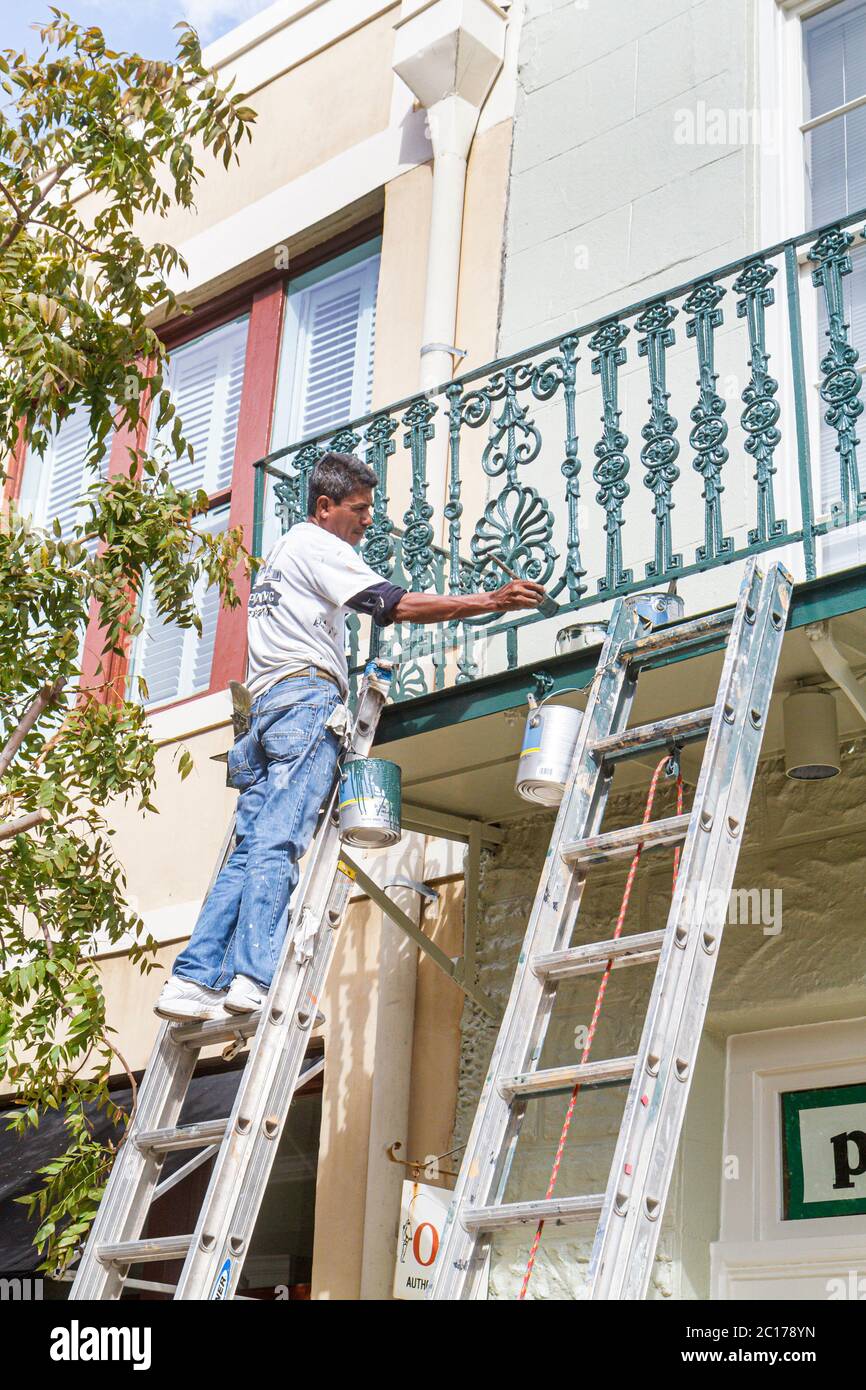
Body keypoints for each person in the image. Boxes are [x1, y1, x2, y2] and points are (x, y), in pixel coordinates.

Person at [155, 450, 545, 1021]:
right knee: (280, 842)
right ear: (325, 507)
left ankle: (193, 978)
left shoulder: (281, 556)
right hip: (303, 706)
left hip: (266, 711)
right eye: (360, 509)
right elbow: (394, 604)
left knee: (249, 850)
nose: (368, 521)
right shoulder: (318, 547)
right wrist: (488, 601)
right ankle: (251, 977)